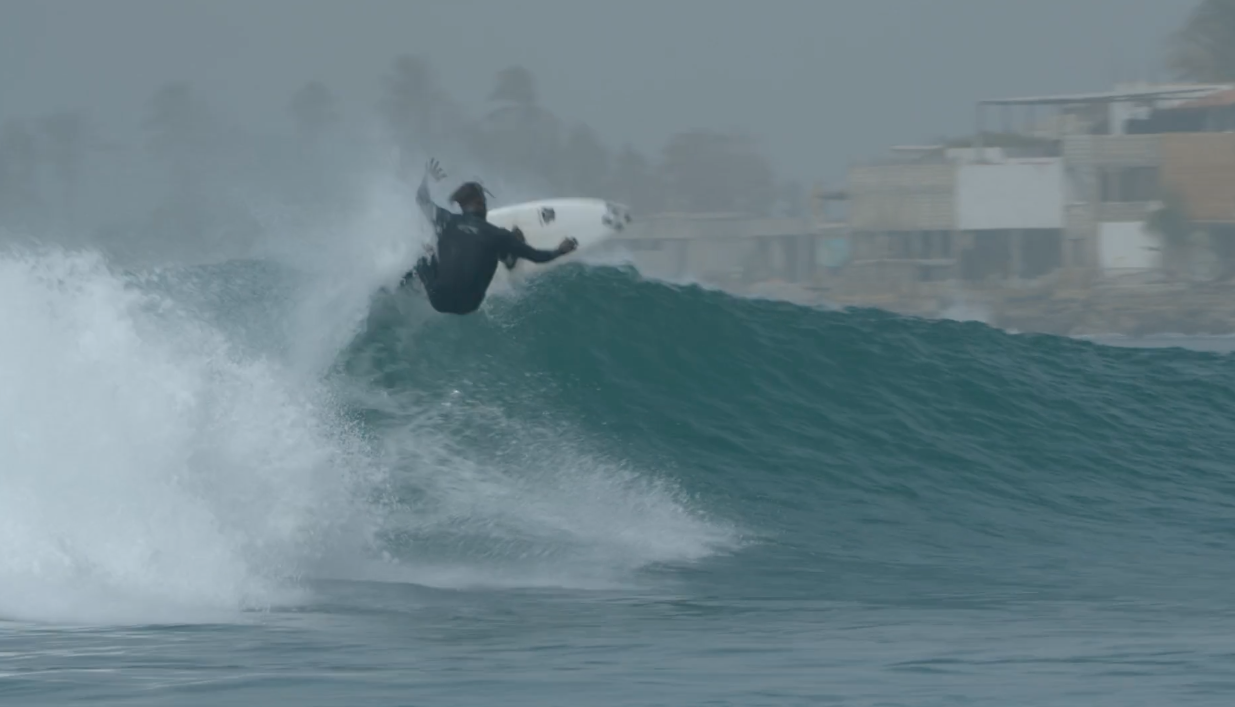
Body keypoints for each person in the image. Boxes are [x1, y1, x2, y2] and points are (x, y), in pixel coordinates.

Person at [401, 158, 578, 315]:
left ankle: (404, 285)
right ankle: (509, 257)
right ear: (480, 203)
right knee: (499, 244)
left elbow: (421, 198)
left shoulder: (445, 219)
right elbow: (538, 257)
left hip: (438, 300)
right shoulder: (496, 234)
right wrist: (560, 250)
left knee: (423, 256)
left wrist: (427, 175)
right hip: (469, 305)